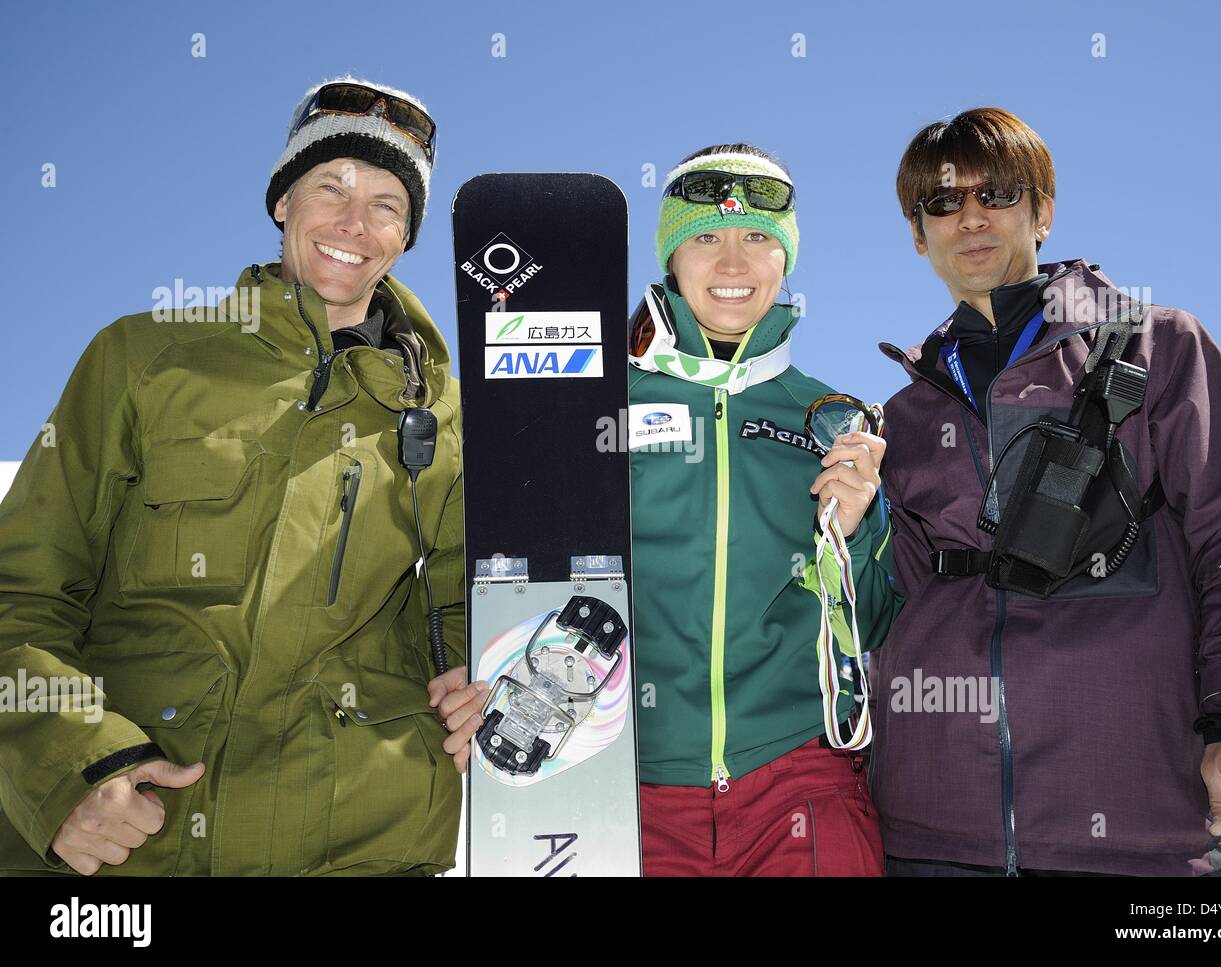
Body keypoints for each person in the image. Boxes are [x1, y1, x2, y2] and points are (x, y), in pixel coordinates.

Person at [0, 76, 467, 876]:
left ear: (406, 237)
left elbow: (469, 616)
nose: (355, 223)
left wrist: (474, 687)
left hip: (361, 847)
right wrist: (70, 768)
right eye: (331, 187)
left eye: (389, 205)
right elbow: (22, 593)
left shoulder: (451, 415)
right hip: (129, 841)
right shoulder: (144, 357)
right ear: (282, 200)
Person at [439, 143, 903, 876]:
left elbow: (872, 620)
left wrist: (854, 532)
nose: (731, 263)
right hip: (629, 786)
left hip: (795, 778)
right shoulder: (595, 402)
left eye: (757, 238)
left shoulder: (829, 419)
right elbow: (524, 561)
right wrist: (474, 667)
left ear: (785, 258)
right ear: (671, 257)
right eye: (704, 238)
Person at [871, 106, 1221, 876]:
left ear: (1042, 210)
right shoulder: (901, 415)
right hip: (933, 837)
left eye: (997, 193)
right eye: (941, 201)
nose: (969, 216)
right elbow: (891, 605)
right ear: (917, 233)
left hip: (1147, 835)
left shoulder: (1159, 346)